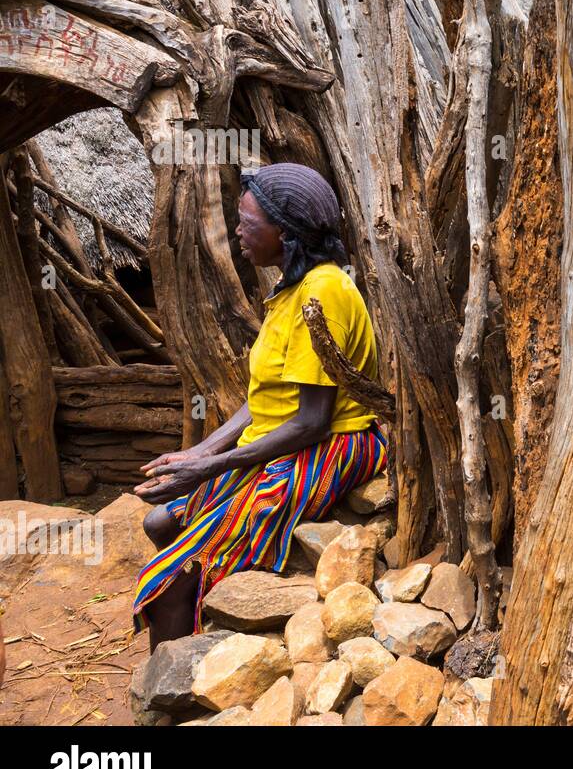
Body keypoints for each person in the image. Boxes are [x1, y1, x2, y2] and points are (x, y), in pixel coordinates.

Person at [132, 163, 386, 650]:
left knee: (163, 583)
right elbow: (262, 400)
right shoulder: (291, 290)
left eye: (247, 223)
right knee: (159, 520)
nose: (237, 232)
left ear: (285, 233)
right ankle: (199, 620)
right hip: (287, 438)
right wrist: (198, 454)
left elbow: (312, 421)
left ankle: (179, 687)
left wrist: (214, 465)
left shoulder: (324, 290)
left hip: (332, 444)